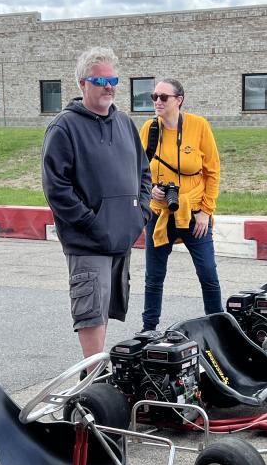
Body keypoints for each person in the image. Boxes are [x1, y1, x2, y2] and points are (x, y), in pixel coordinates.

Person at [41, 47, 151, 358]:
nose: (108, 86)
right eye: (99, 80)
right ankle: (93, 382)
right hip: (88, 242)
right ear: (82, 84)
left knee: (105, 309)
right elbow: (57, 188)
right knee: (91, 311)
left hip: (121, 236)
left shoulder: (125, 124)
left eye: (113, 79)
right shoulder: (64, 128)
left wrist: (139, 214)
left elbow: (144, 173)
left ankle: (99, 376)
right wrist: (93, 223)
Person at [139, 78, 222, 330]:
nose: (157, 102)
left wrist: (206, 212)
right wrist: (150, 189)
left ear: (179, 100)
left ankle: (219, 326)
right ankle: (148, 329)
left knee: (208, 274)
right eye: (154, 97)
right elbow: (138, 170)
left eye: (164, 97)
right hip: (159, 214)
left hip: (194, 213)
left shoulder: (198, 126)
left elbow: (212, 172)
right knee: (154, 277)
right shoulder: (149, 129)